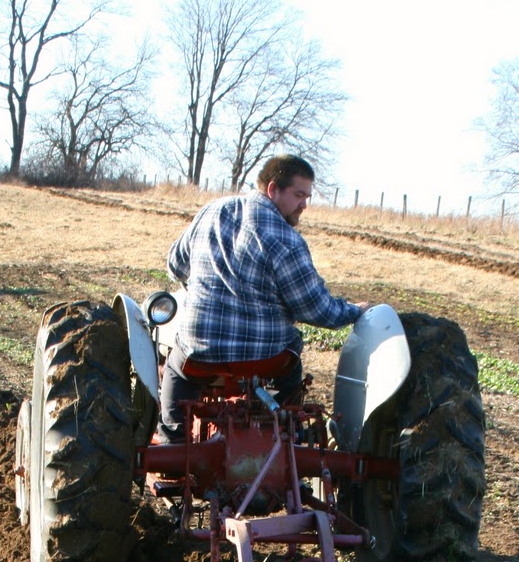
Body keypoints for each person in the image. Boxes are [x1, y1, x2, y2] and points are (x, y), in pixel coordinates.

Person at [157, 154, 368, 440]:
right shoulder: (287, 240)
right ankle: (283, 434)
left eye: (307, 197)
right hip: (268, 356)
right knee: (291, 366)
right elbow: (318, 310)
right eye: (299, 195)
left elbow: (175, 264)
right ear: (273, 189)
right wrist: (354, 310)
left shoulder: (211, 212)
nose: (304, 205)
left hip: (201, 350)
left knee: (177, 368)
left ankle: (173, 440)